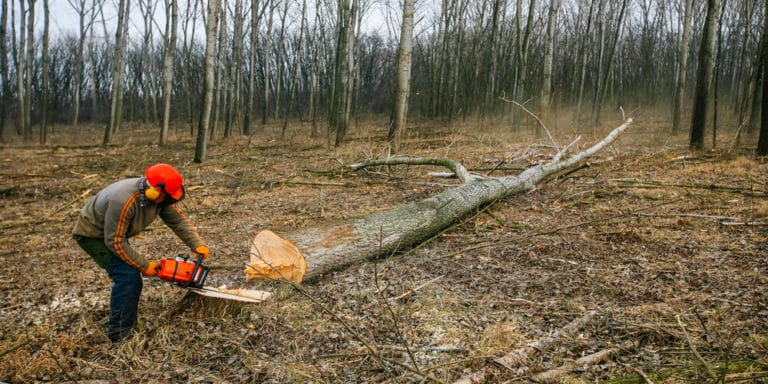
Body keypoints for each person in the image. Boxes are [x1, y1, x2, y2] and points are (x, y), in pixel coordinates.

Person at [73, 163, 210, 342]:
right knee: (128, 276)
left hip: (114, 233)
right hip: (93, 235)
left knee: (130, 271)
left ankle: (123, 324)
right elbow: (114, 241)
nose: (169, 200)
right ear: (154, 191)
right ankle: (119, 334)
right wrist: (144, 265)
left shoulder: (161, 197)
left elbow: (177, 221)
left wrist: (197, 244)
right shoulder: (123, 201)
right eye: (167, 197)